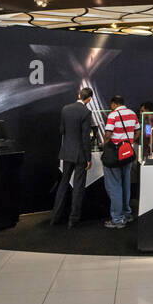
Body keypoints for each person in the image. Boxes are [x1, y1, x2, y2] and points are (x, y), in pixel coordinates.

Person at [52, 87, 96, 228]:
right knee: (78, 187)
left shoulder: (65, 109)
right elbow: (85, 138)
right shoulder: (86, 112)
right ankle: (73, 219)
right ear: (89, 99)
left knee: (63, 184)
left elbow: (61, 130)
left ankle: (55, 217)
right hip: (80, 155)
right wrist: (88, 158)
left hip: (67, 152)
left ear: (78, 95)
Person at [103, 94, 138, 228]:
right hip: (127, 153)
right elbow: (138, 131)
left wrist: (105, 145)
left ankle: (117, 219)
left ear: (114, 104)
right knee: (125, 184)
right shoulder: (132, 113)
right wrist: (129, 142)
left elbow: (107, 134)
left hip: (115, 155)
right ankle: (127, 214)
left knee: (114, 186)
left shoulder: (113, 115)